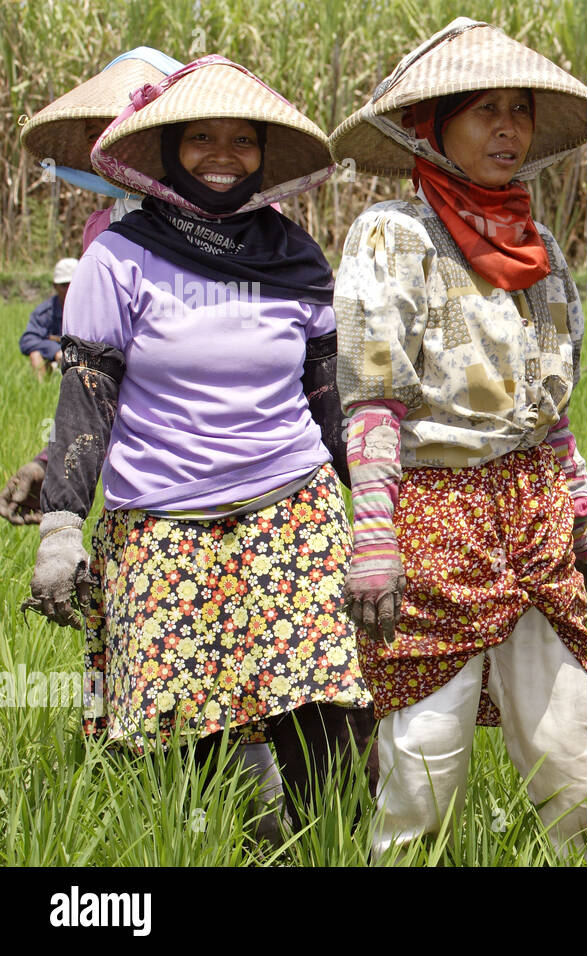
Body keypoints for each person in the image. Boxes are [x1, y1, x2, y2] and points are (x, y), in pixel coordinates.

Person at [25, 54, 371, 833]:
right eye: (202, 138)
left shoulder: (296, 255)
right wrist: (59, 530)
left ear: (263, 155)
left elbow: (330, 403)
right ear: (171, 148)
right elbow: (87, 396)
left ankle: (335, 852)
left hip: (292, 508)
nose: (224, 156)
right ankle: (249, 847)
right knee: (198, 732)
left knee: (325, 702)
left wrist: (385, 515)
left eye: (243, 140)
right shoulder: (119, 258)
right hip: (163, 523)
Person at [328, 18, 587, 861]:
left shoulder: (539, 250)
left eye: (519, 111)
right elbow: (374, 404)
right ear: (433, 126)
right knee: (423, 765)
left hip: (533, 520)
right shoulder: (395, 235)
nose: (507, 129)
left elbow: (552, 418)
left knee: (573, 755)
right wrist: (375, 541)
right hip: (435, 520)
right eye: (483, 111)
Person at [4, 48, 186, 525]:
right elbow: (97, 373)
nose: (106, 146)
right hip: (143, 492)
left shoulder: (246, 223)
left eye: (121, 127)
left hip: (262, 487)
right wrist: (53, 463)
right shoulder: (103, 233)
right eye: (95, 136)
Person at [20, 258, 77, 380]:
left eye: (73, 284)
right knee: (35, 355)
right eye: (64, 285)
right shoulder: (45, 312)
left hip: (86, 360)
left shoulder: (92, 310)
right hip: (56, 359)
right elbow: (28, 340)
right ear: (55, 286)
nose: (69, 290)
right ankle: (40, 393)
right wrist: (56, 351)